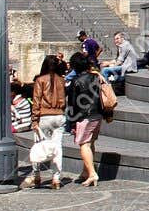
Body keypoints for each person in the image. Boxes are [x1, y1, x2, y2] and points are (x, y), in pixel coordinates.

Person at [63, 51, 106, 186]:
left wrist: (71, 122)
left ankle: (92, 174)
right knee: (91, 143)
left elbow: (73, 102)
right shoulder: (96, 77)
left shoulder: (76, 81)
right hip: (97, 114)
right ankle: (86, 171)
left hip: (84, 116)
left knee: (84, 145)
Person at [25, 55, 67, 190]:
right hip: (59, 115)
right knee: (57, 148)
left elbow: (36, 101)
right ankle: (56, 178)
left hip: (44, 115)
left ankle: (36, 175)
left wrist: (34, 120)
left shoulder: (40, 80)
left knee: (39, 145)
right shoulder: (61, 80)